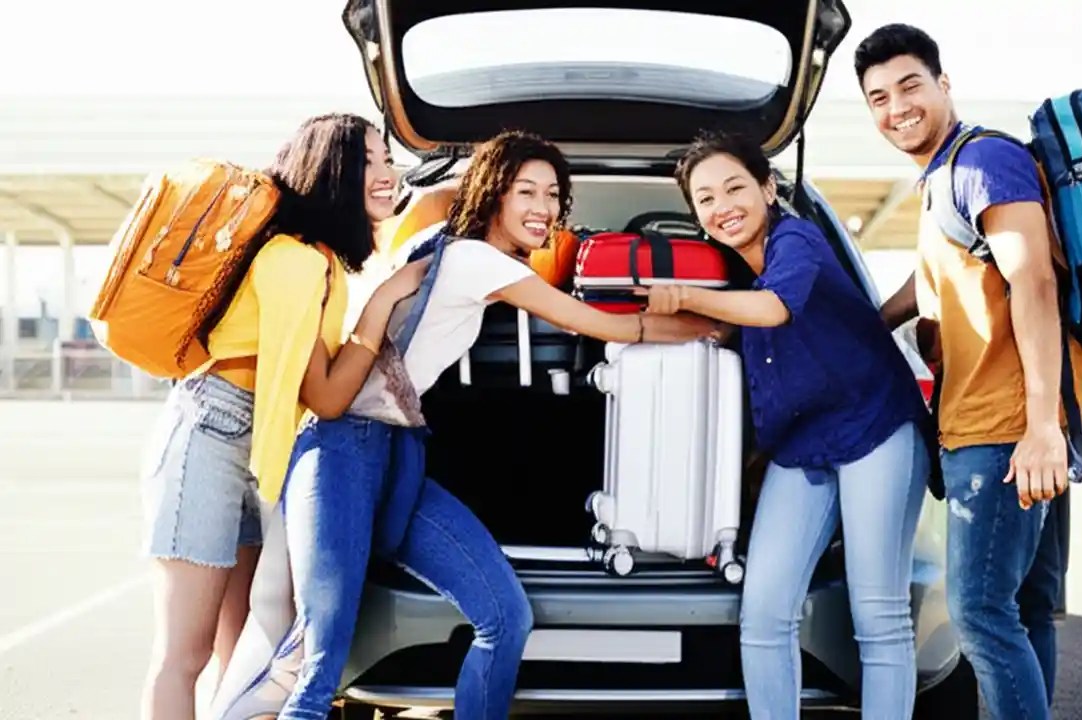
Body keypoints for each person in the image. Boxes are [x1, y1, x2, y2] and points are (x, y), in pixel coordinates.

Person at [212, 129, 719, 720]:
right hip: (342, 455)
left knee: (505, 616)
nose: (544, 207)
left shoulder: (443, 248)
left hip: (398, 457)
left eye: (553, 195)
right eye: (526, 191)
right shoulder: (473, 259)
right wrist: (711, 327)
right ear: (493, 193)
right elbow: (599, 325)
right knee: (319, 667)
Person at [137, 112, 427, 720]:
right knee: (183, 657)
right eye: (369, 160)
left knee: (238, 651)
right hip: (212, 433)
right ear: (332, 172)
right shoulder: (295, 262)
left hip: (246, 438)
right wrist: (380, 307)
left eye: (385, 159)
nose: (387, 172)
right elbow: (324, 395)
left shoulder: (321, 263)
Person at [641, 130, 931, 720]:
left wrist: (687, 296)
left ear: (768, 187)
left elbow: (776, 308)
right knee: (765, 614)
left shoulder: (795, 237)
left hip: (874, 428)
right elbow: (723, 336)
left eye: (734, 187)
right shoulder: (738, 279)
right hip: (802, 449)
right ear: (696, 216)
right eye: (705, 199)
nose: (722, 206)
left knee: (878, 614)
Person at [854, 23, 1082, 720]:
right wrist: (868, 321)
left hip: (1007, 428)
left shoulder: (982, 162)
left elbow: (1034, 285)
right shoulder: (944, 181)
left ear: (943, 85)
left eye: (909, 86)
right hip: (1015, 422)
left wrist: (1042, 427)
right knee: (1026, 609)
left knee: (982, 613)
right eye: (878, 98)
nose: (897, 108)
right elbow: (939, 282)